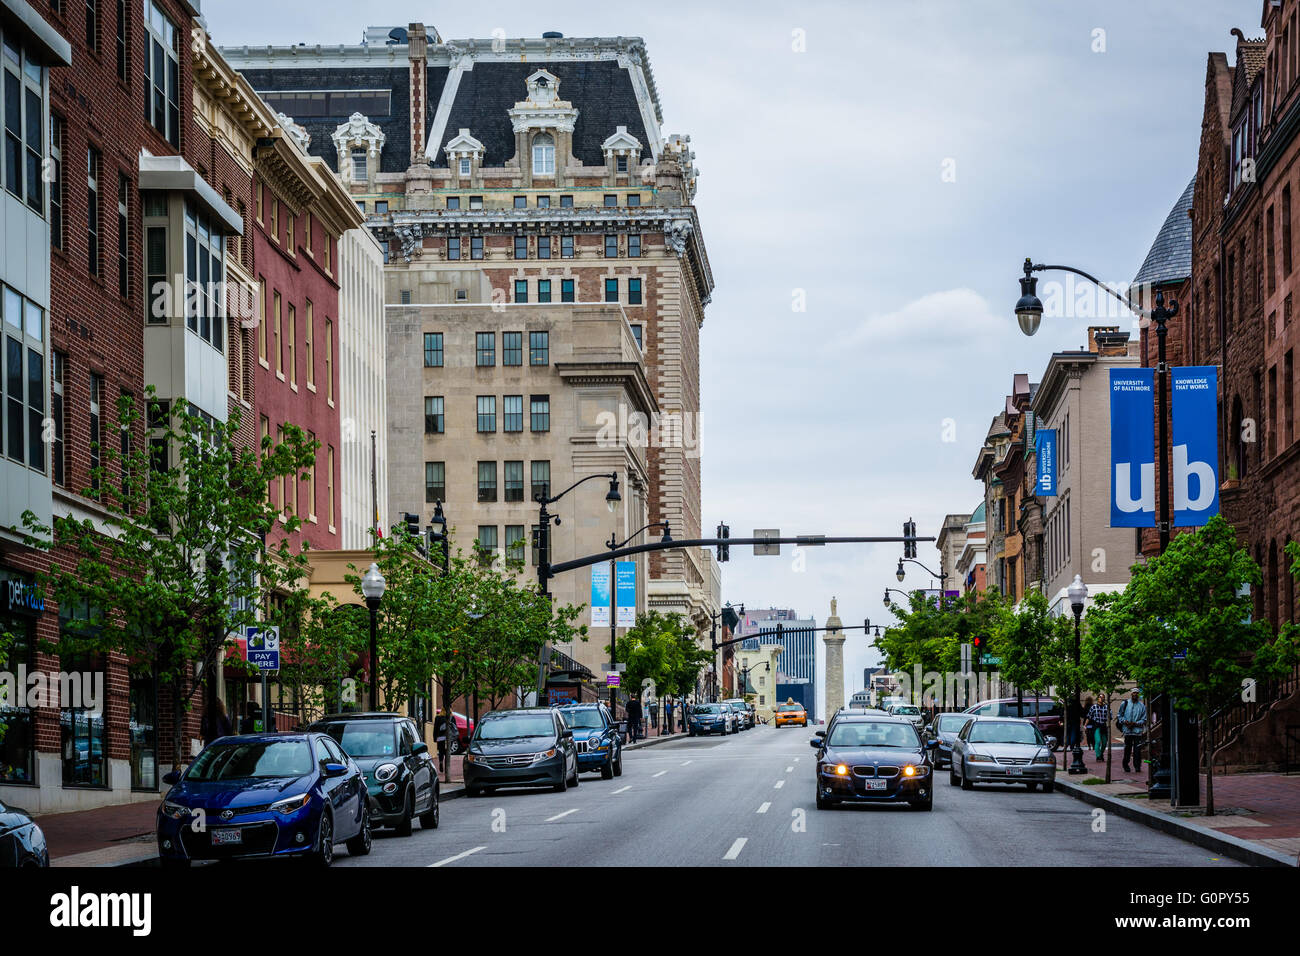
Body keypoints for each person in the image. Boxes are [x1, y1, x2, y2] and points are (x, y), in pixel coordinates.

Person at [1117, 689, 1147, 772]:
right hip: (1127, 731)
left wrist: (1135, 723)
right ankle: (1125, 765)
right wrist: (1125, 722)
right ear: (1131, 694)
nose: (1135, 694)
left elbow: (1144, 719)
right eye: (1134, 693)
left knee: (1137, 750)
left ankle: (1137, 766)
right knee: (1127, 749)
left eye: (1137, 693)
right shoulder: (1125, 703)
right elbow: (1119, 716)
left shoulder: (1142, 706)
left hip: (1137, 732)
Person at [1087, 694, 1111, 762]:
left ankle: (1101, 754)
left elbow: (1110, 717)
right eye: (1100, 697)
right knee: (1097, 741)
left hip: (1103, 726)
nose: (1102, 698)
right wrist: (1085, 725)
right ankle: (1098, 756)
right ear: (1098, 698)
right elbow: (1089, 716)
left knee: (1104, 742)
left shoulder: (1106, 707)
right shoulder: (1093, 707)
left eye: (1103, 697)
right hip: (1096, 726)